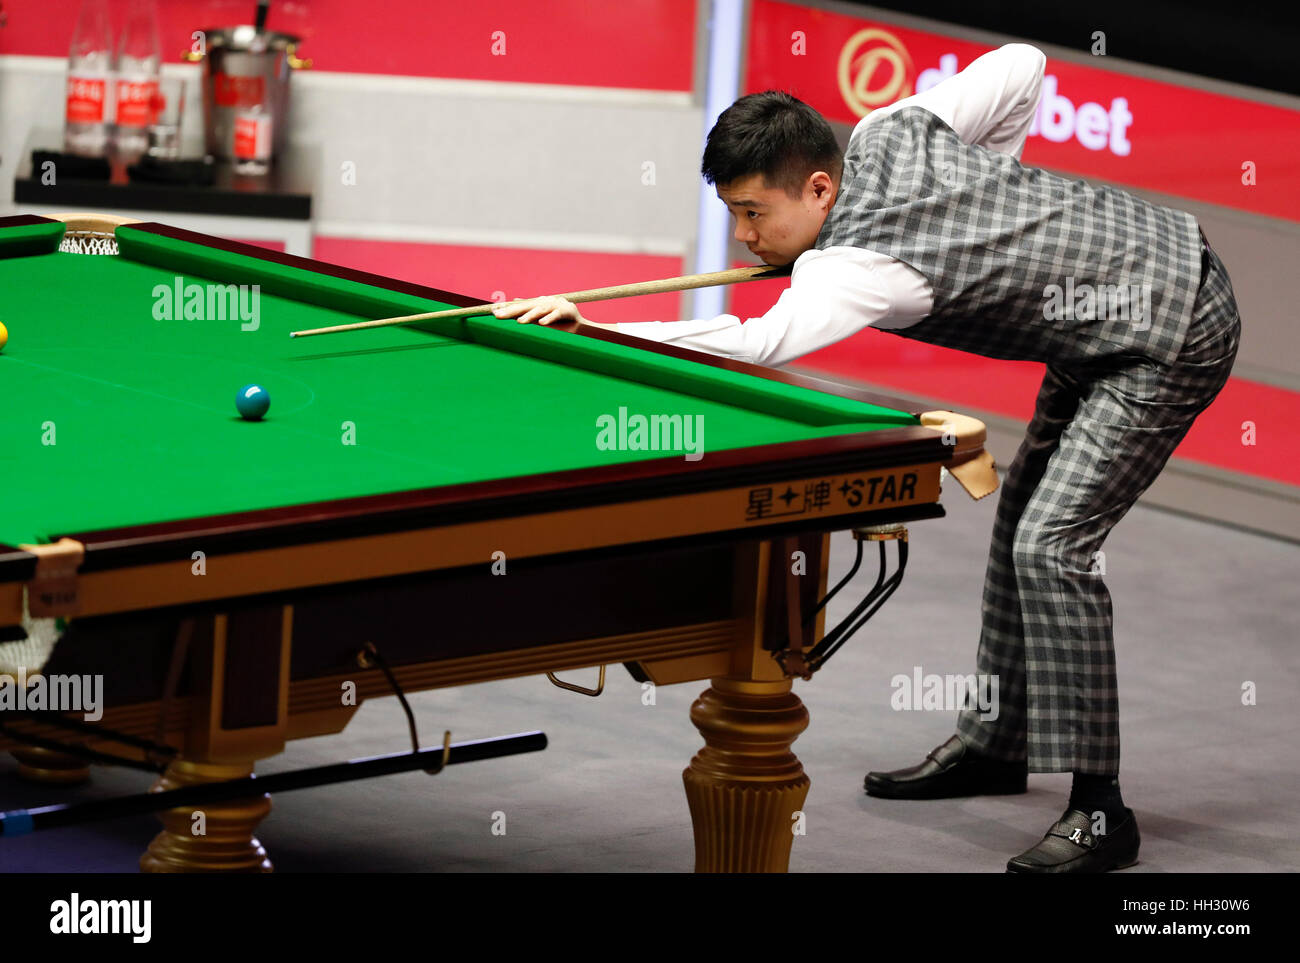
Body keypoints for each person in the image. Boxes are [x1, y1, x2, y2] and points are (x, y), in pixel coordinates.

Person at [493, 43, 1241, 873]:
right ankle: (998, 743)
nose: (744, 236)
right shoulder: (893, 126)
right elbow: (1023, 66)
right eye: (733, 214)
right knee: (1019, 523)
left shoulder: (858, 271)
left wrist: (594, 329)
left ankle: (1102, 809)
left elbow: (755, 343)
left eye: (754, 213)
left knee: (1050, 545)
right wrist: (987, 185)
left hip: (1172, 327)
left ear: (820, 188)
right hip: (1104, 318)